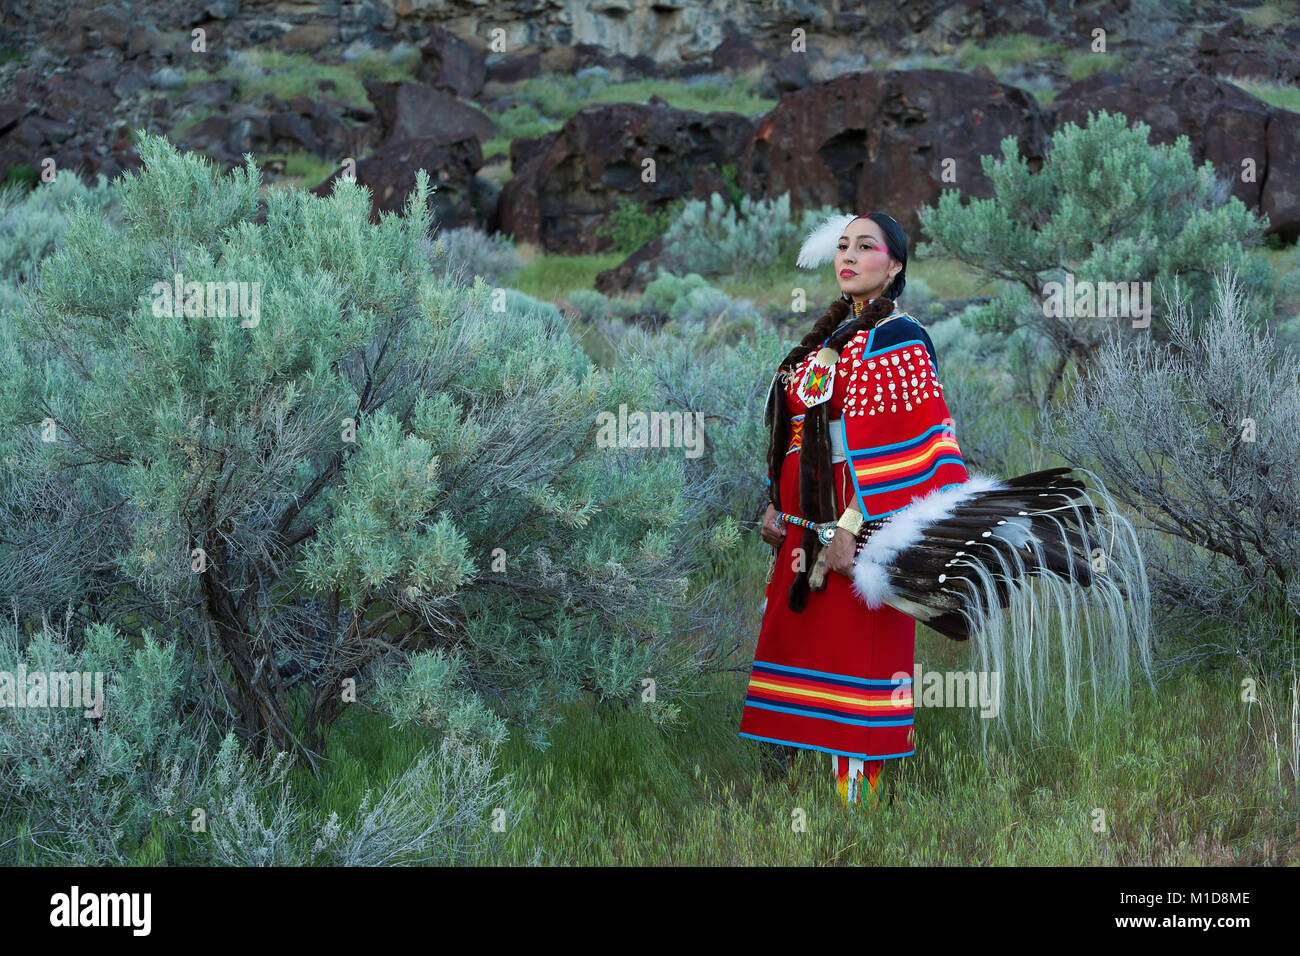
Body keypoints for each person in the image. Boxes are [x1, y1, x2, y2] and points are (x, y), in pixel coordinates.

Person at [739, 211, 968, 807]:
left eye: (866, 247)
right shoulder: (821, 342)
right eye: (842, 246)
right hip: (799, 532)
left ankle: (856, 809)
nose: (848, 255)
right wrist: (774, 503)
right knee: (805, 651)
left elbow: (907, 440)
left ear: (893, 265)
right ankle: (795, 797)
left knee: (861, 654)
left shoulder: (900, 337)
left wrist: (853, 528)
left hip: (858, 532)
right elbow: (793, 429)